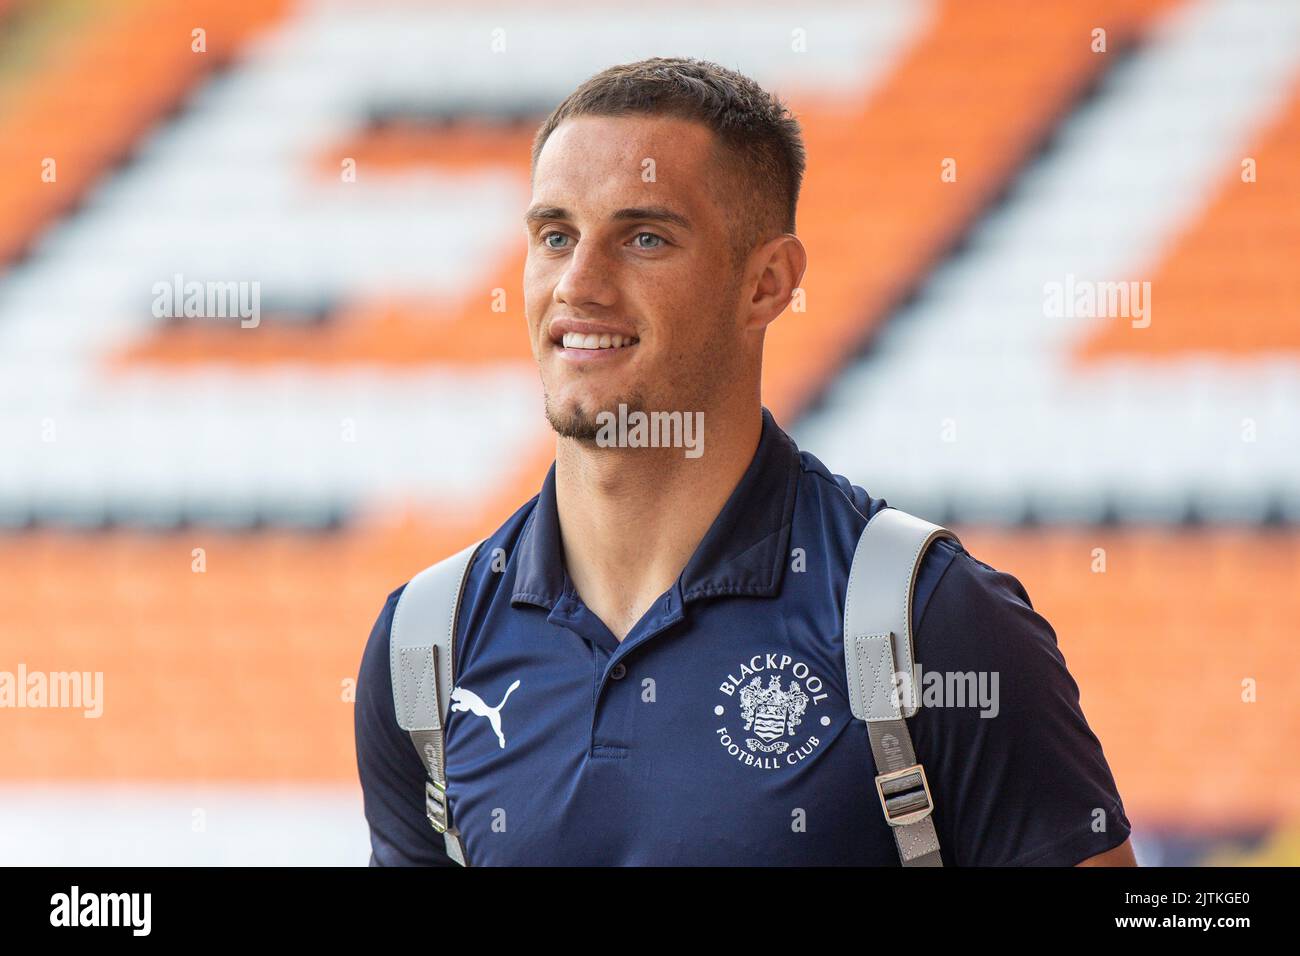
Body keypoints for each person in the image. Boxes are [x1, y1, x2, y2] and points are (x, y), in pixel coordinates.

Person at [355, 56, 1136, 866]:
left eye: (644, 237)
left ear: (766, 284)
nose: (577, 285)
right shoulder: (423, 648)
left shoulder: (929, 621)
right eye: (556, 236)